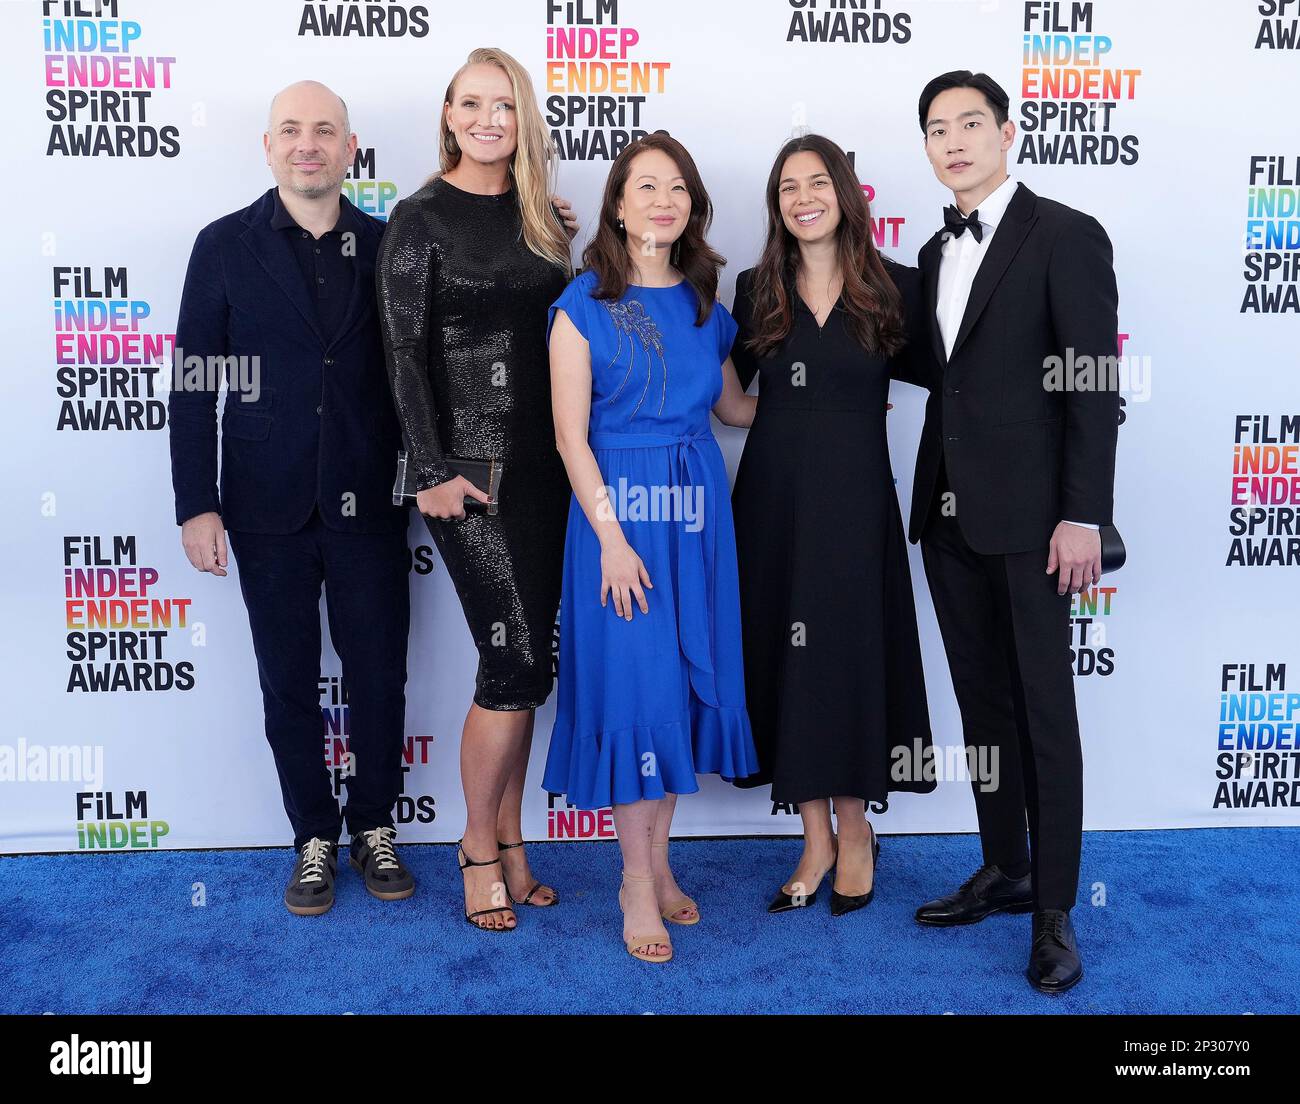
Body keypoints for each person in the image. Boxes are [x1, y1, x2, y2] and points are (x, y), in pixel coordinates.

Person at [169, 81, 415, 916]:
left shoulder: (390, 245)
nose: (307, 144)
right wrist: (195, 502)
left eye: (324, 131)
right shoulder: (223, 246)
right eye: (291, 131)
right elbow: (195, 383)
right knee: (287, 683)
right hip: (262, 509)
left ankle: (375, 824)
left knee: (380, 677)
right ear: (267, 147)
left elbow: (430, 366)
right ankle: (313, 835)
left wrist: (540, 228)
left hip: (370, 502)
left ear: (351, 148)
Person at [908, 70, 1120, 992]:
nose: (952, 141)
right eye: (935, 129)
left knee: (1043, 714)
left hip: (1039, 525)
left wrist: (1084, 515)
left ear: (1006, 132)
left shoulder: (1065, 234)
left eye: (969, 124)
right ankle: (1006, 864)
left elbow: (1090, 383)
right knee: (982, 707)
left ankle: (1056, 911)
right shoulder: (927, 253)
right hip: (948, 516)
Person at [544, 133, 759, 963]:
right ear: (619, 205)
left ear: (691, 207)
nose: (663, 200)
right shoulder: (581, 303)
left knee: (672, 698)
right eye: (646, 187)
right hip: (621, 524)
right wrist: (610, 538)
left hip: (698, 520)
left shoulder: (709, 305)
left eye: (677, 188)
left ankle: (660, 869)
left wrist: (833, 399)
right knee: (635, 699)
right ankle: (635, 886)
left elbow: (734, 411)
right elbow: (570, 438)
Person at [377, 48, 576, 933]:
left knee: (532, 669)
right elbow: (401, 356)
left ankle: (516, 842)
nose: (488, 118)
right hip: (470, 478)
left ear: (522, 117)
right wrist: (430, 471)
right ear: (449, 115)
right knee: (511, 665)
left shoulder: (543, 218)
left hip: (548, 470)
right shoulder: (418, 219)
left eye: (504, 104)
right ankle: (476, 848)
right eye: (471, 104)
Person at [728, 134, 936, 917]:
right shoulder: (755, 290)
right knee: (785, 661)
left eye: (819, 182)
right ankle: (812, 836)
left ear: (847, 193)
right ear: (776, 205)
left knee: (847, 661)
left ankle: (856, 829)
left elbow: (964, 380)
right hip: (772, 504)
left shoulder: (897, 287)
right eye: (788, 187)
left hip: (856, 507)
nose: (804, 197)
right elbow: (726, 399)